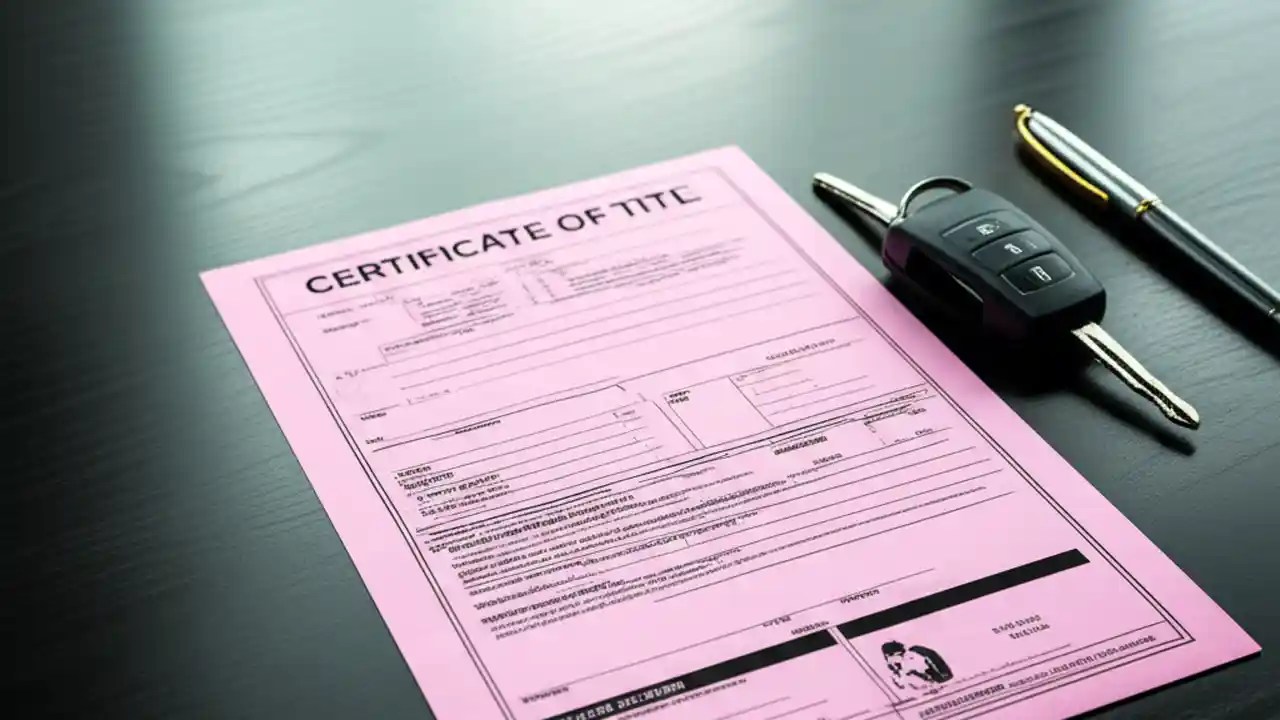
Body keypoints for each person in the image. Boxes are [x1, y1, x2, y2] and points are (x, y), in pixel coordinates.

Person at [882, 641, 953, 691]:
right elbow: (902, 686)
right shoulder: (896, 666)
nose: (889, 660)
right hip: (926, 688)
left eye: (890, 656)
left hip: (942, 681)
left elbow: (943, 676)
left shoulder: (915, 655)